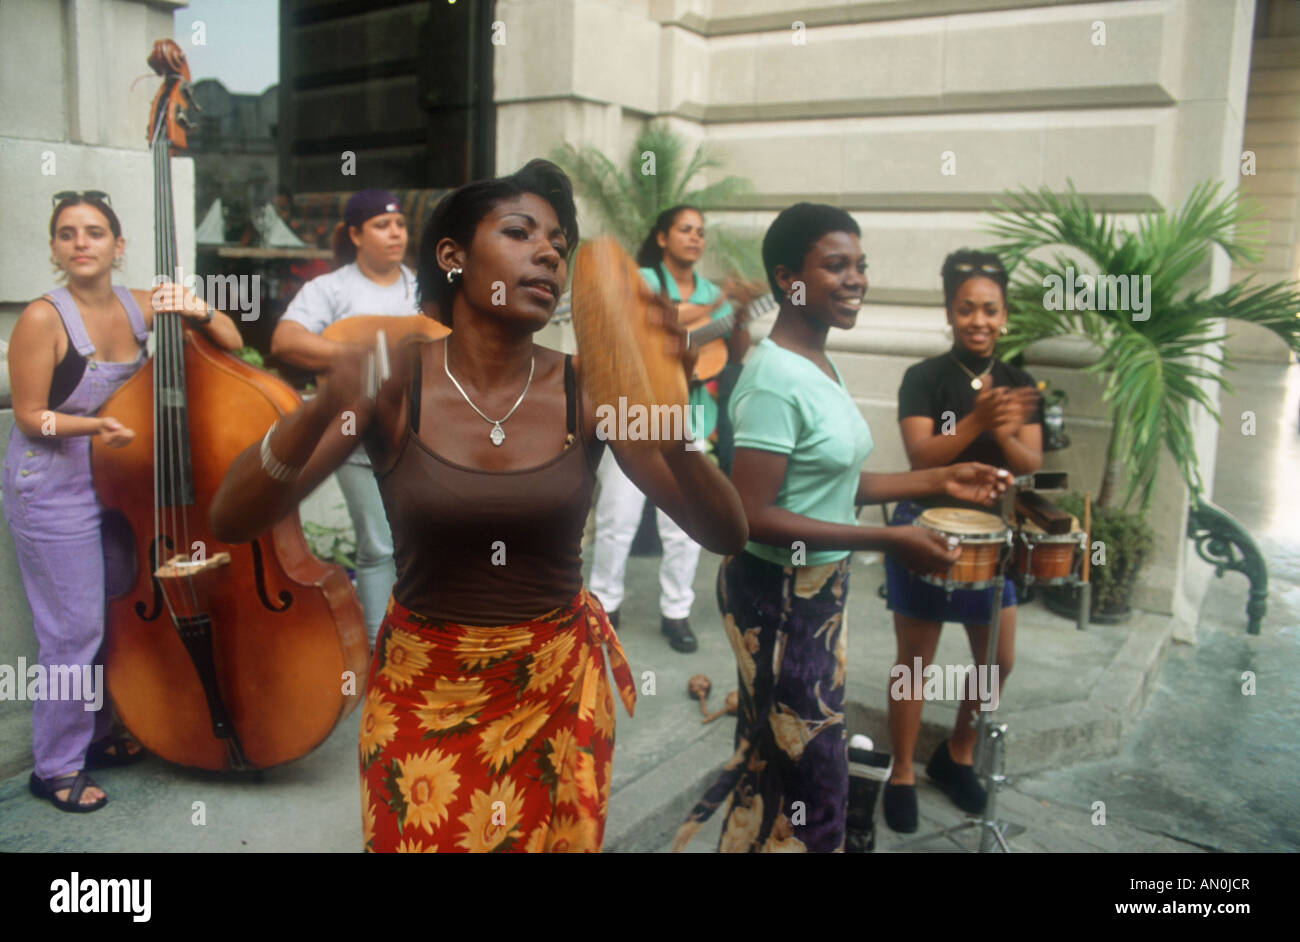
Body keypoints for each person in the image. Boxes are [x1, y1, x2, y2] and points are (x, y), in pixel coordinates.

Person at [210, 159, 748, 852]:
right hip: (422, 703)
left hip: (555, 701)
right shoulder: (395, 382)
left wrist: (673, 433)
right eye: (521, 232)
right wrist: (317, 413)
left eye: (558, 242)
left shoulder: (589, 391)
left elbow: (726, 532)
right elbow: (231, 519)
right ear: (453, 257)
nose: (549, 252)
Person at [671, 204, 1008, 853]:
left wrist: (941, 478)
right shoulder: (774, 378)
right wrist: (891, 539)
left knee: (781, 767)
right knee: (810, 780)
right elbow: (753, 514)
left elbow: (831, 488)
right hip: (776, 596)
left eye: (860, 265)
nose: (856, 279)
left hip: (817, 594)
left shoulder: (820, 364)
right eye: (836, 265)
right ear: (787, 278)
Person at [5, 191, 242, 812]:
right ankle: (54, 766)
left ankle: (102, 733)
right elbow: (31, 419)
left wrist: (195, 308)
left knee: (112, 614)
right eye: (66, 233)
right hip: (50, 487)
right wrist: (95, 428)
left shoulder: (140, 306)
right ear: (55, 249)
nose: (81, 242)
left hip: (117, 486)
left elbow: (233, 342)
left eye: (94, 232)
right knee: (71, 628)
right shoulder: (40, 319)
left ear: (118, 244)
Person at [882, 248, 1043, 833]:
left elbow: (1031, 462)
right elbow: (920, 455)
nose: (979, 320)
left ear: (1005, 315)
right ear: (949, 312)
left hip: (992, 541)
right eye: (967, 309)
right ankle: (901, 770)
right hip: (926, 530)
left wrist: (1004, 428)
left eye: (990, 310)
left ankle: (958, 754)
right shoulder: (922, 378)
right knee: (915, 663)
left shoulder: (1021, 383)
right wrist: (976, 423)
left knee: (996, 662)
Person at [588, 205, 751, 653]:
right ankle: (605, 604)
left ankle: (676, 611)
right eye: (685, 230)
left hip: (689, 418)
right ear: (662, 237)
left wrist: (740, 318)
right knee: (617, 518)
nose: (695, 238)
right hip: (631, 414)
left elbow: (732, 355)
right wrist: (719, 303)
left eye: (701, 231)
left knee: (685, 526)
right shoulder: (640, 278)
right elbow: (636, 324)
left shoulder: (711, 290)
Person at [270, 189, 416, 646]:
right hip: (357, 434)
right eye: (380, 225)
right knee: (379, 547)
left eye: (399, 225)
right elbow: (286, 341)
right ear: (354, 234)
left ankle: (426, 651)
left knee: (424, 546)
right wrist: (358, 354)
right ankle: (381, 654)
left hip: (419, 433)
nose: (395, 233)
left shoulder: (423, 287)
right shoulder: (330, 289)